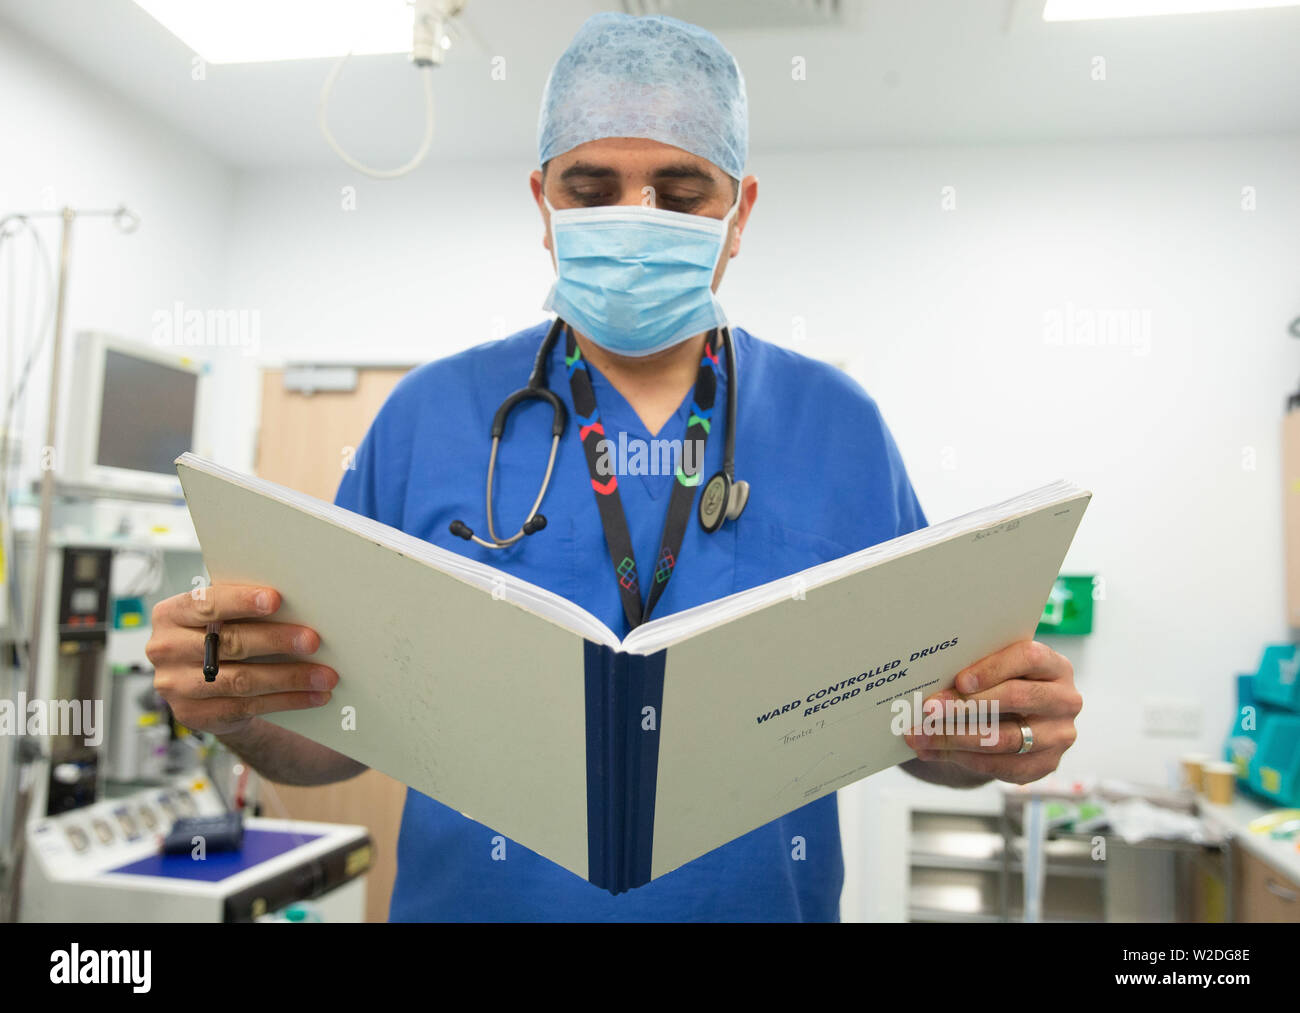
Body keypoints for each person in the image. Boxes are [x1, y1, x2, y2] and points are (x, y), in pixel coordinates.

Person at [147, 12, 1082, 922]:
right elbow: (334, 743)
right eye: (591, 191)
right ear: (543, 205)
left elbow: (913, 730)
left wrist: (992, 730)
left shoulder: (839, 427)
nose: (634, 222)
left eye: (680, 195)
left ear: (740, 211)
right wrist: (230, 707)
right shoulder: (423, 419)